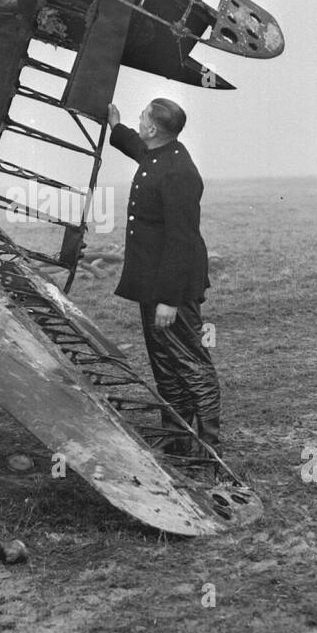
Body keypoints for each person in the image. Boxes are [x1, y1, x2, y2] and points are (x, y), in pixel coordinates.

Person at [106, 99, 221, 450]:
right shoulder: (160, 153)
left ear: (154, 128)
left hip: (173, 287)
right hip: (152, 282)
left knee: (192, 365)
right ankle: (177, 443)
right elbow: (140, 149)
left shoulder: (178, 172)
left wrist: (169, 301)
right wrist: (115, 125)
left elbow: (182, 240)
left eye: (142, 117)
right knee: (165, 366)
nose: (139, 120)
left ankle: (209, 449)